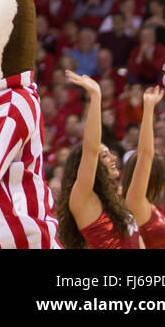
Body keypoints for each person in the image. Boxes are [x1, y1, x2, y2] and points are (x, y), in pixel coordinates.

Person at [55, 71, 141, 248]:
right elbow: (91, 148)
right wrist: (95, 96)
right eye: (104, 155)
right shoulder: (82, 197)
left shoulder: (114, 199)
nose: (113, 157)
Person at [122, 85, 165, 248]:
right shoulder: (135, 201)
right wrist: (148, 108)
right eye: (164, 172)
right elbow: (145, 155)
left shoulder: (148, 205)